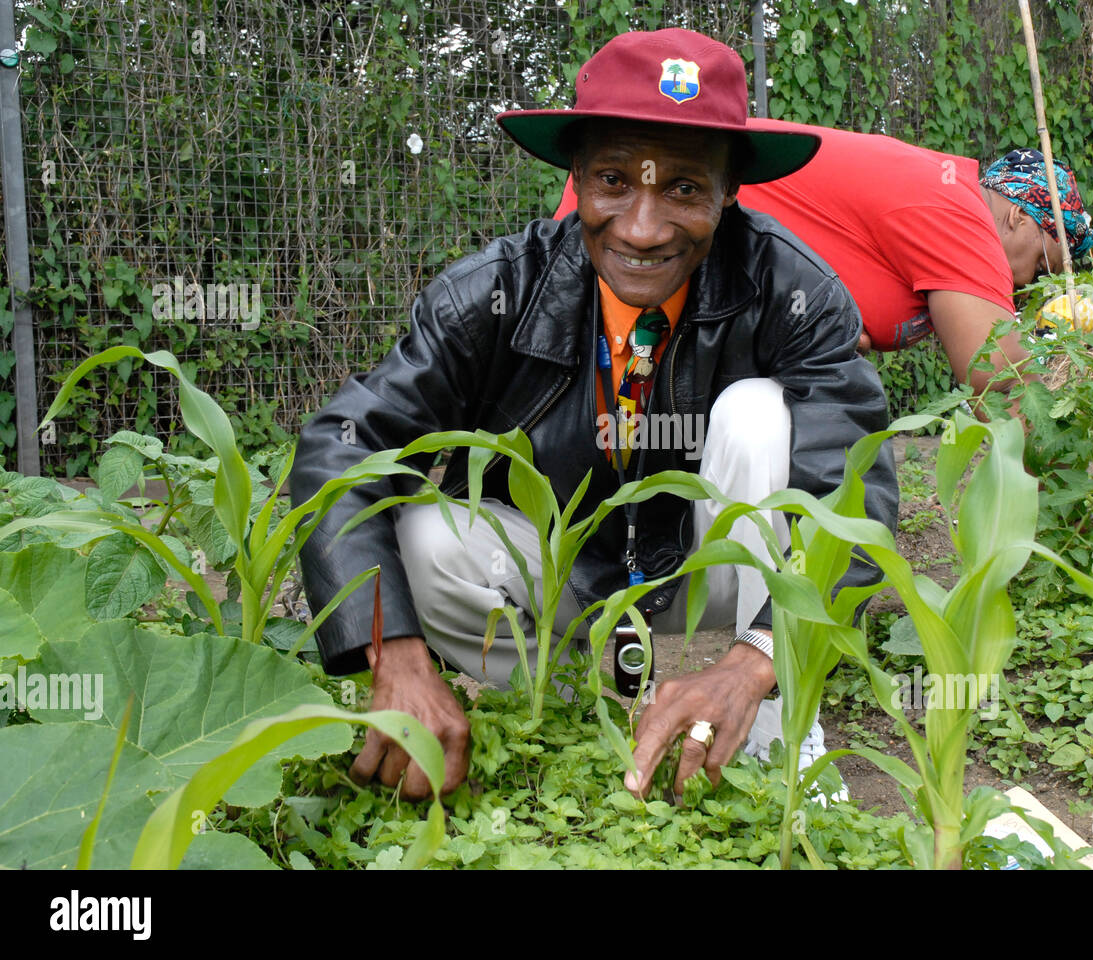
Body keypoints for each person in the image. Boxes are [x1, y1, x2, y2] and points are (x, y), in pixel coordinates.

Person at [288, 29, 898, 803]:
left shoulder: (790, 290)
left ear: (730, 192)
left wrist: (756, 659)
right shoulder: (492, 295)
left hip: (704, 568)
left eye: (683, 189)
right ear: (576, 178)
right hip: (561, 581)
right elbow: (344, 444)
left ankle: (769, 724)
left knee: (758, 417)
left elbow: (854, 484)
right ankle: (571, 718)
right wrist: (393, 651)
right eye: (614, 180)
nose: (643, 229)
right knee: (423, 534)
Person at [555, 124, 1093, 412]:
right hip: (640, 250)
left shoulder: (946, 202)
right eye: (1044, 265)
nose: (1031, 283)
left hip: (674, 289)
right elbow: (997, 383)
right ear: (1022, 220)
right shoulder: (961, 214)